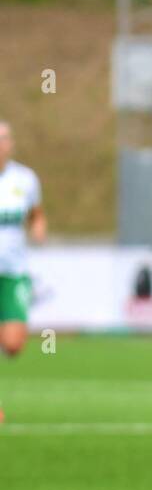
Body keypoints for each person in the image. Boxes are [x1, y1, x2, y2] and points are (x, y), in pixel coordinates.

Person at [0, 121, 46, 423]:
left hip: (14, 270)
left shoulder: (25, 179)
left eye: (4, 138)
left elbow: (36, 215)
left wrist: (39, 229)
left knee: (13, 344)